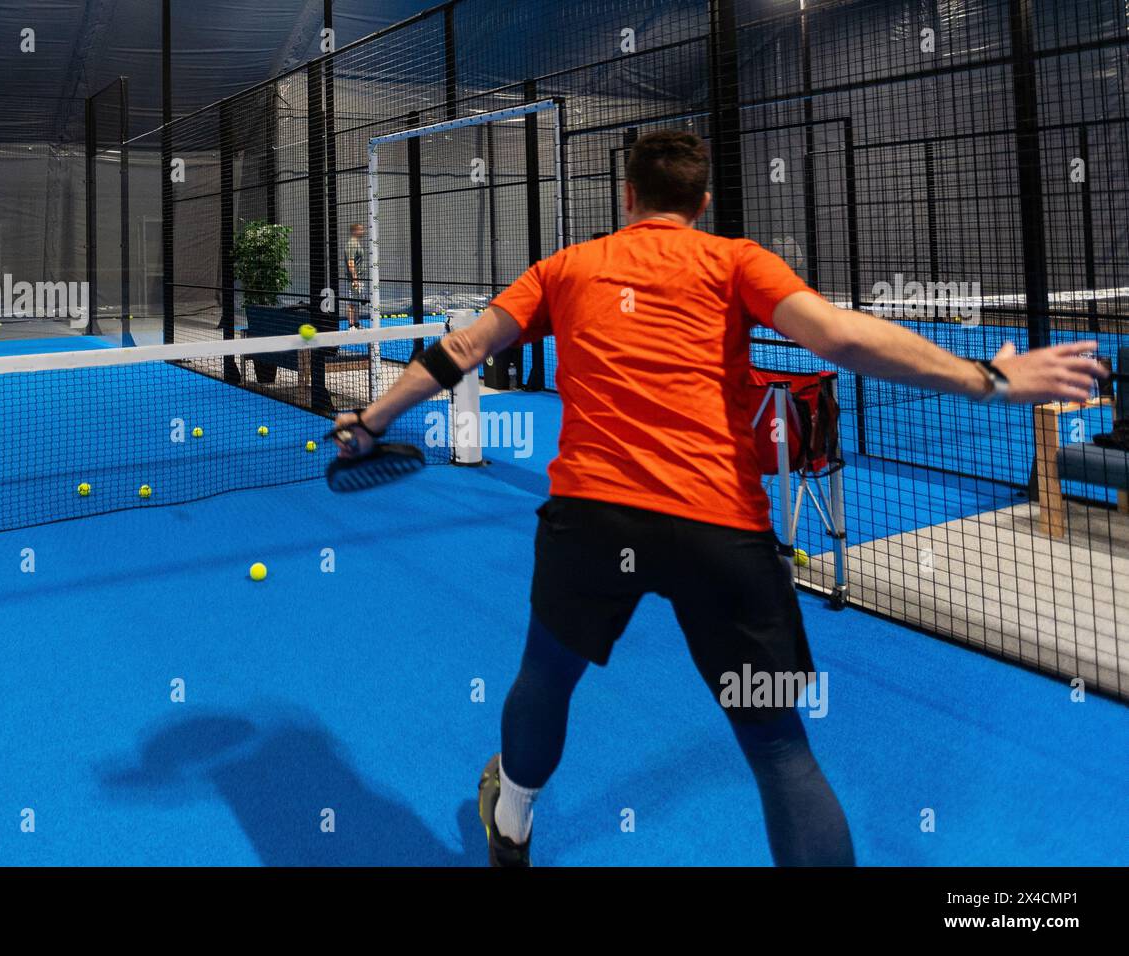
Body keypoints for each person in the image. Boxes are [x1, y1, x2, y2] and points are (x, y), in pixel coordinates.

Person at [331, 130, 1106, 867]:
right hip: (719, 526)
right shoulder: (736, 260)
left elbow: (460, 349)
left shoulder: (565, 267)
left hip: (593, 523)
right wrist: (990, 379)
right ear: (701, 204)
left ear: (626, 195)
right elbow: (838, 337)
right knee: (776, 745)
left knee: (546, 678)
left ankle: (513, 815)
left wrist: (370, 422)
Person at [345, 223, 366, 330]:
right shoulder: (352, 244)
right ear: (354, 231)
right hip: (355, 279)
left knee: (356, 303)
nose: (363, 231)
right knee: (352, 304)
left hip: (359, 278)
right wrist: (355, 279)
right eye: (361, 230)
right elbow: (351, 263)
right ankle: (351, 326)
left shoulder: (356, 243)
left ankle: (357, 324)